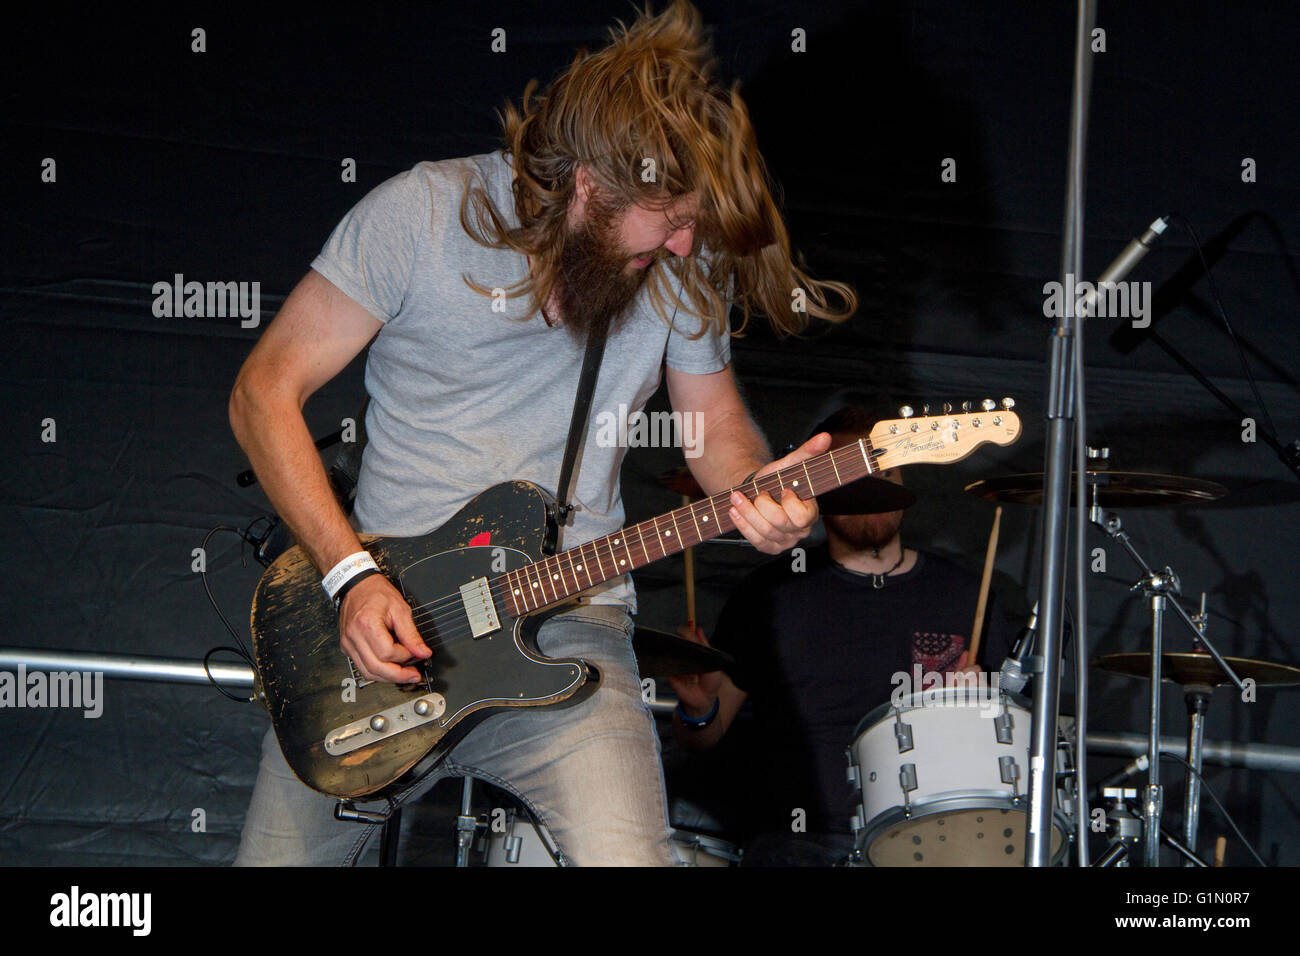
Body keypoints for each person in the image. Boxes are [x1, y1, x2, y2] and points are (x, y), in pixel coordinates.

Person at [227, 1, 856, 866]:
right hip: (381, 627)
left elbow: (712, 430)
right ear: (591, 186)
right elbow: (263, 392)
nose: (682, 248)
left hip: (571, 622)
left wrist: (757, 491)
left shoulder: (683, 264)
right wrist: (351, 578)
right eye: (668, 221)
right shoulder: (419, 214)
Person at [669, 404, 1017, 866]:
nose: (869, 490)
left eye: (882, 473)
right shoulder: (769, 595)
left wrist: (979, 714)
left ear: (903, 483)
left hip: (928, 835)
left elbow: (1007, 748)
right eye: (849, 475)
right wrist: (697, 711)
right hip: (799, 840)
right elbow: (704, 738)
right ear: (815, 491)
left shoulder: (968, 595)